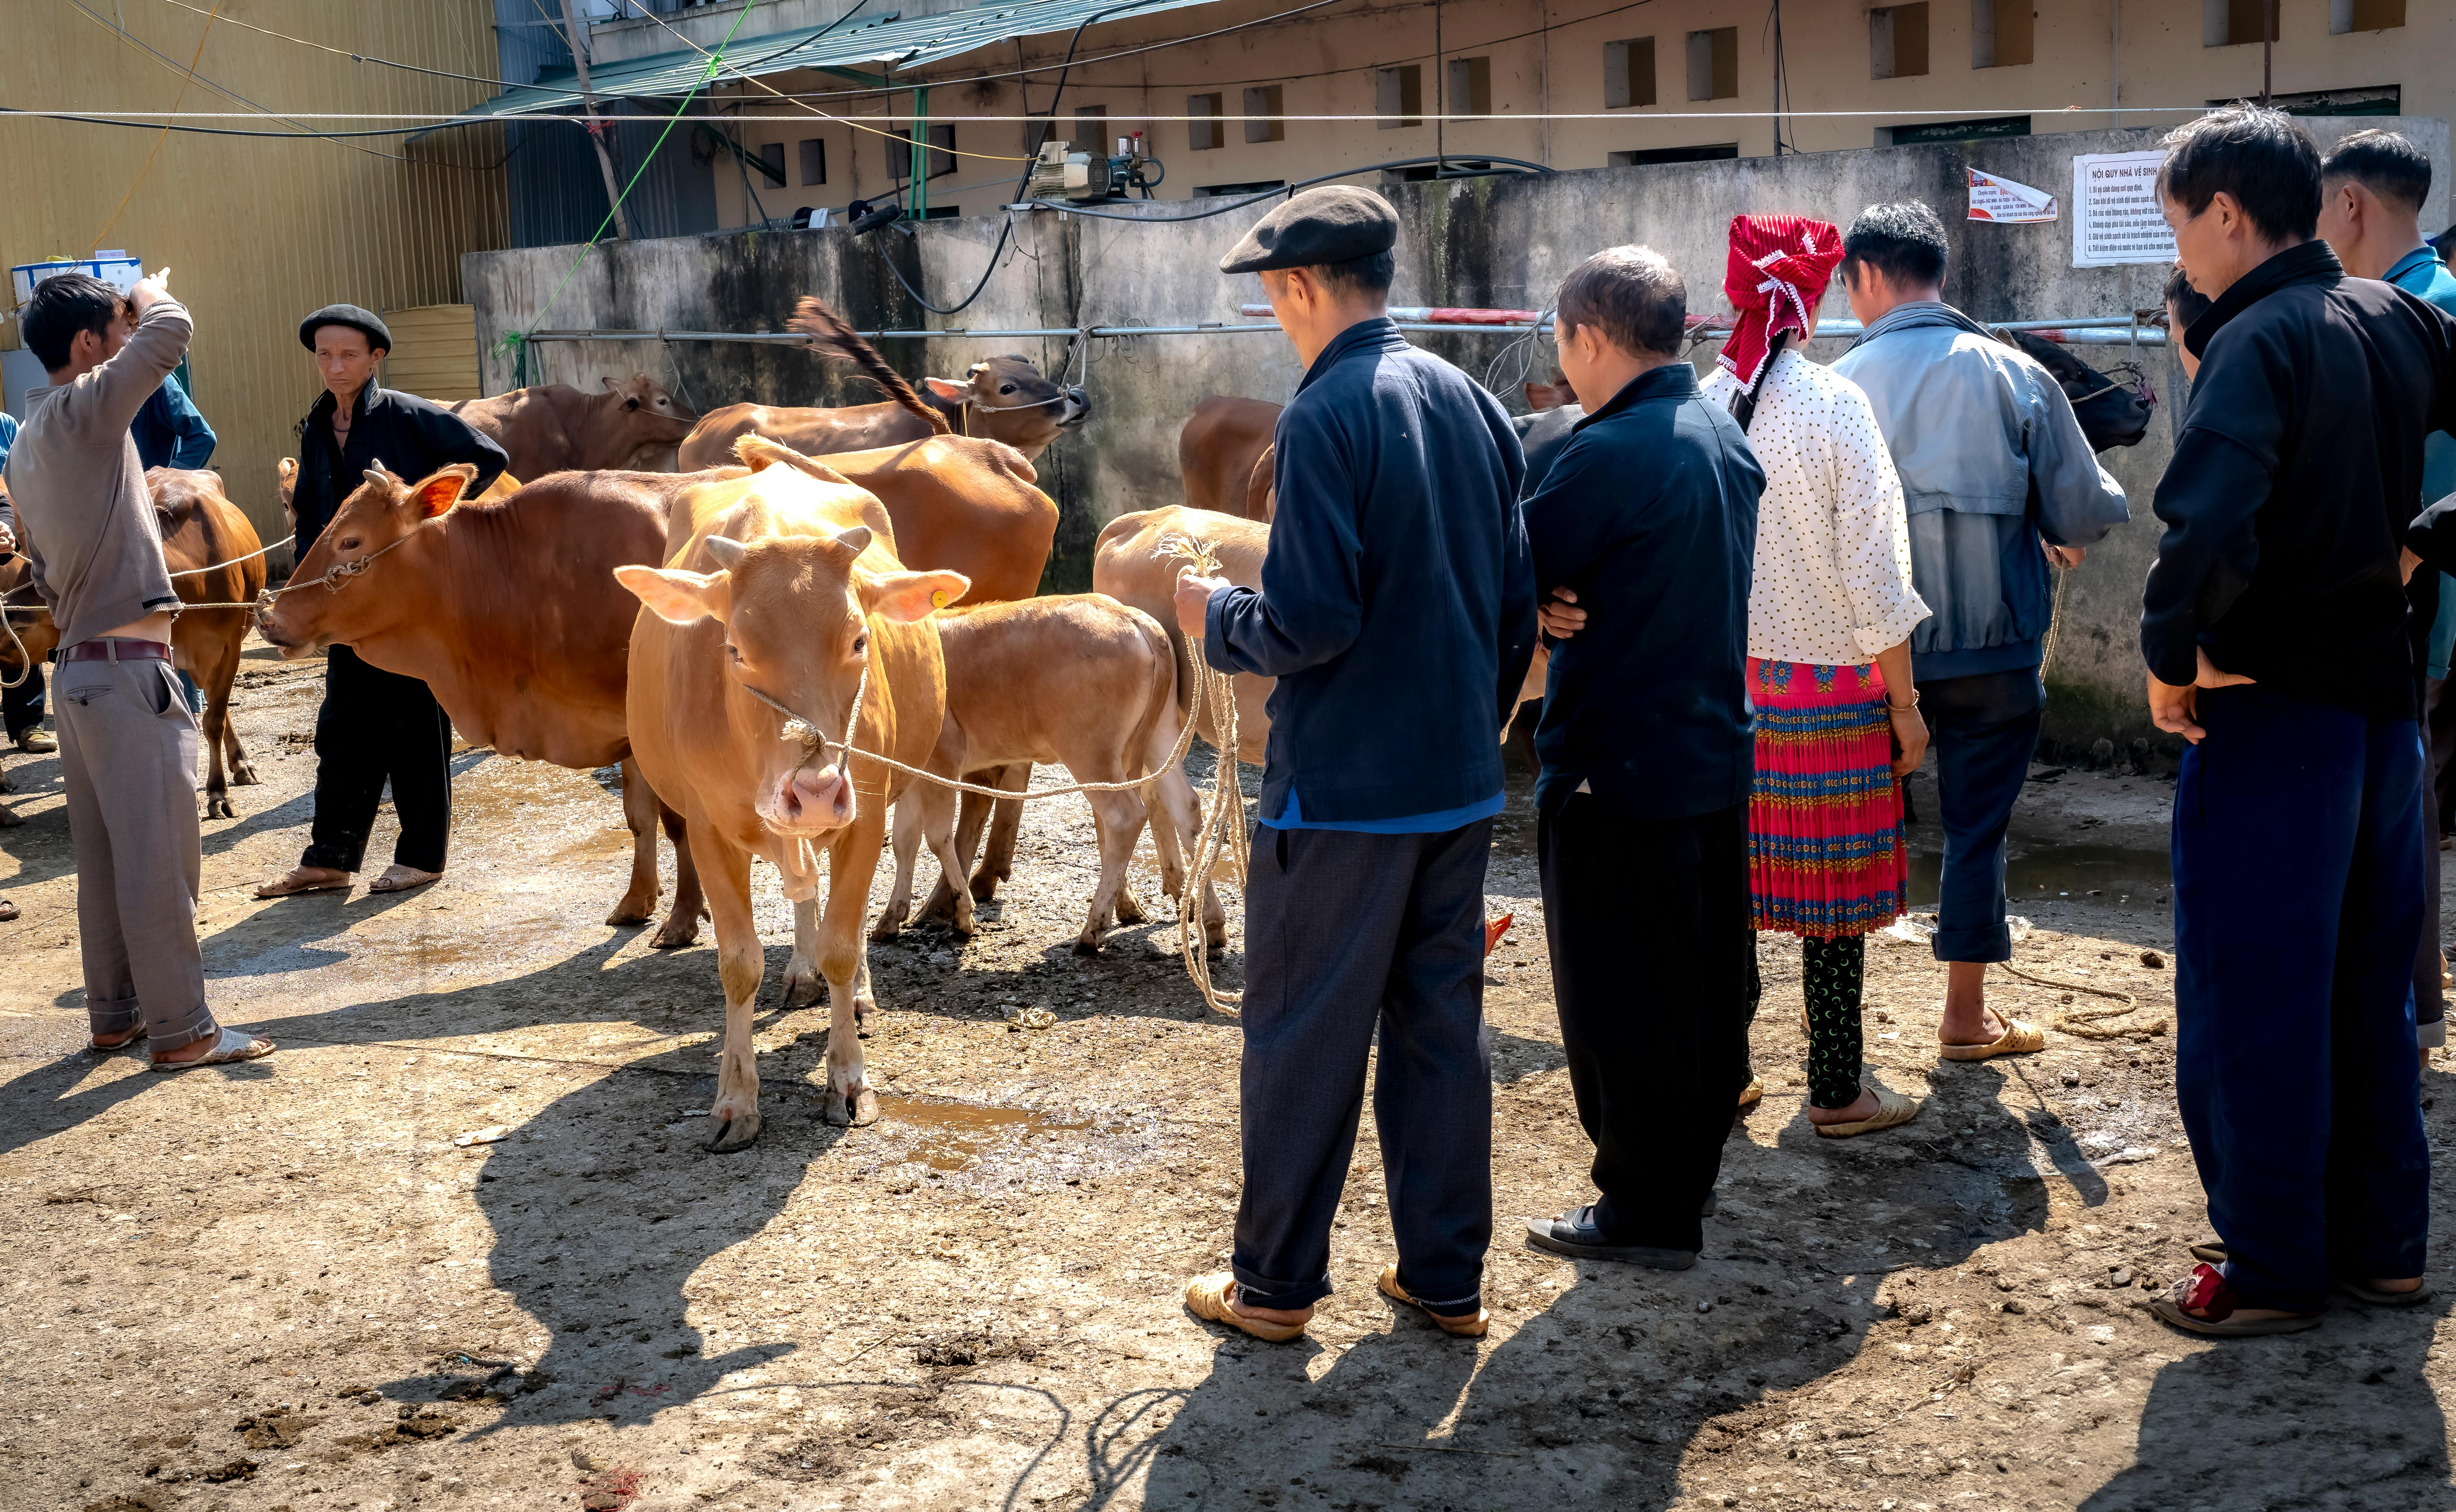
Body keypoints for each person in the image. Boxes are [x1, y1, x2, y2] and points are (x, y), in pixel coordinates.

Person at [1170, 186, 1536, 1343]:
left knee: (1301, 1031)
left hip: (1342, 798)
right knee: (1439, 1030)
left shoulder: (1325, 412)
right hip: (1456, 785)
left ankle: (1273, 1285)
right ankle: (1444, 1274)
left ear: (1298, 288)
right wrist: (1470, 732)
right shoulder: (1471, 401)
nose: (1276, 318)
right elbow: (1518, 608)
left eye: (1273, 299)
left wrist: (1214, 610)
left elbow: (1308, 620)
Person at [2142, 104, 2454, 1335]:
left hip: (2269, 717)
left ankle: (2269, 1264)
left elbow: (2201, 524)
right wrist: (2422, 546)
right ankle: (2382, 1247)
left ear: (2226, 213)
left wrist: (2170, 659)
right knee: (2366, 984)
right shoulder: (2396, 312)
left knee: (2254, 987)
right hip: (2384, 717)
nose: (2180, 258)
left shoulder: (2258, 338)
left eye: (2179, 228)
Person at [1828, 201, 2129, 1061]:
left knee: (1851, 833)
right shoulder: (2013, 374)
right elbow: (2079, 511)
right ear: (1938, 275)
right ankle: (1963, 1017)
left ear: (1868, 276)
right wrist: (2042, 526)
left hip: (1868, 661)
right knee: (1976, 829)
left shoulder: (1831, 385)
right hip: (1995, 653)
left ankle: (1837, 1051)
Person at [1513, 244, 1762, 1267]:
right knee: (1700, 984)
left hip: (1614, 769)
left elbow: (1497, 569)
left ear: (1583, 336)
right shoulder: (1717, 430)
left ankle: (1641, 1205)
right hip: (1707, 756)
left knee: (1620, 994)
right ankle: (1677, 1181)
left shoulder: (1604, 453)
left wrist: (1526, 597)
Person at [2, 271, 272, 1067]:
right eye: (113, 330)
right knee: (159, 859)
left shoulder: (28, 444)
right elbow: (173, 331)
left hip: (79, 678)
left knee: (106, 861)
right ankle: (185, 1028)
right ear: (87, 344)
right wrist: (147, 293)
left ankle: (115, 1015)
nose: (125, 339)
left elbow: (46, 573)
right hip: (128, 674)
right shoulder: (89, 410)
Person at [1703, 214, 1933, 1137]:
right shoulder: (1838, 407)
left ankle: (1720, 1071)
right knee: (1830, 911)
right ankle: (1835, 1088)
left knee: (1724, 899)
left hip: (1725, 695)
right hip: (1832, 698)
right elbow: (1876, 580)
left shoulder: (1702, 402)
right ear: (1813, 298)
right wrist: (1906, 705)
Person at [256, 305, 506, 900]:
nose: (335, 365)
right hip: (343, 599)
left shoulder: (410, 415)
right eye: (324, 354)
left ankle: (421, 855)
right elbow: (317, 518)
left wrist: (424, 522)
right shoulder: (318, 425)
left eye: (348, 354)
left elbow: (488, 459)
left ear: (376, 358)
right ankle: (330, 857)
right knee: (343, 722)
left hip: (407, 599)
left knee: (415, 720)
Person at [2317, 127, 2456, 1059]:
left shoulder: (2414, 312)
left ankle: (2406, 1009)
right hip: (2415, 605)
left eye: (2321, 207)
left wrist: (2401, 556)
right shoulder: (2420, 296)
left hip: (2416, 609)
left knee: (2399, 797)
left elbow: (2432, 478)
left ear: (2351, 204)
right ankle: (2418, 996)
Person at [0, 412, 53, 757]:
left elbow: (4, 497)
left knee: (19, 633)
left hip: (12, 557)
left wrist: (4, 527)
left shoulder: (6, 425)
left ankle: (28, 724)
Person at [130, 368, 215, 471]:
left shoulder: (157, 382)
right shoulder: (108, 386)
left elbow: (203, 438)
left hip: (153, 486)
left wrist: (171, 478)